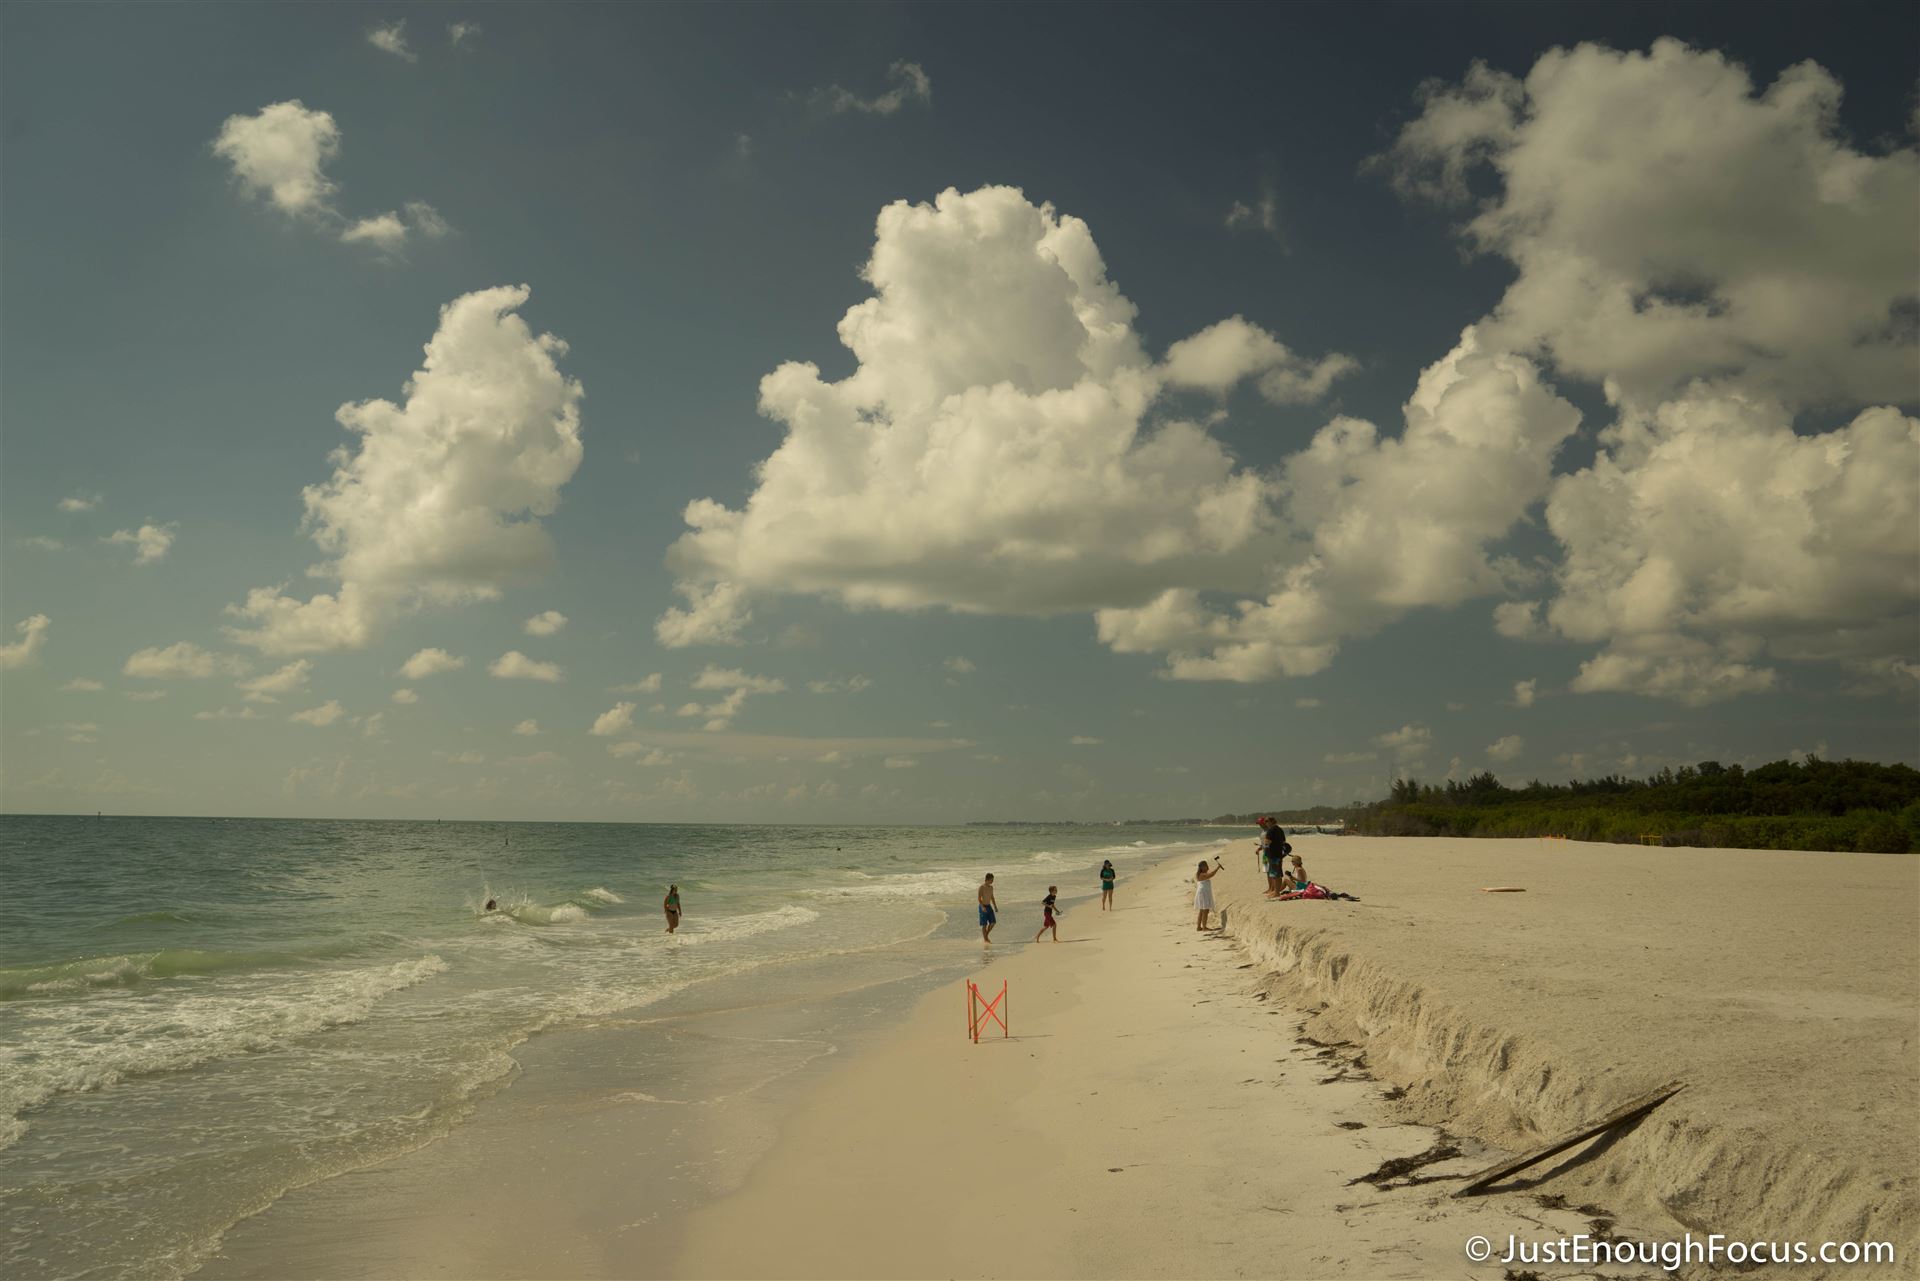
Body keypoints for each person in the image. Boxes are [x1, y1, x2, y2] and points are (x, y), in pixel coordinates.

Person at [1258, 818, 1285, 898]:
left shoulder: (1271, 830)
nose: (1265, 823)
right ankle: (1276, 891)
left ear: (1271, 822)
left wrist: (1266, 849)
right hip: (1279, 854)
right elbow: (1283, 841)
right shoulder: (1280, 829)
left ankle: (1276, 892)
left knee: (1274, 874)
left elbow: (1267, 842)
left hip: (1272, 854)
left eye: (1266, 821)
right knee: (1278, 873)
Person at [1194, 857, 1223, 931]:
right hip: (1204, 893)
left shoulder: (1200, 874)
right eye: (1206, 866)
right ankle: (1204, 927)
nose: (1207, 867)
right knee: (1205, 910)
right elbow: (1211, 875)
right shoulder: (1202, 875)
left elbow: (1209, 874)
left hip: (1202, 893)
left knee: (1201, 910)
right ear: (1202, 867)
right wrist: (1217, 868)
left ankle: (1199, 927)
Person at [977, 873, 999, 943]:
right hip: (982, 906)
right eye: (991, 880)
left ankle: (986, 936)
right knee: (984, 924)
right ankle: (986, 939)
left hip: (989, 906)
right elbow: (979, 899)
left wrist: (995, 906)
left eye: (993, 880)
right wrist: (982, 907)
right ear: (987, 879)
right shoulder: (981, 887)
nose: (992, 881)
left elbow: (992, 897)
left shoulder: (991, 887)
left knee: (993, 922)